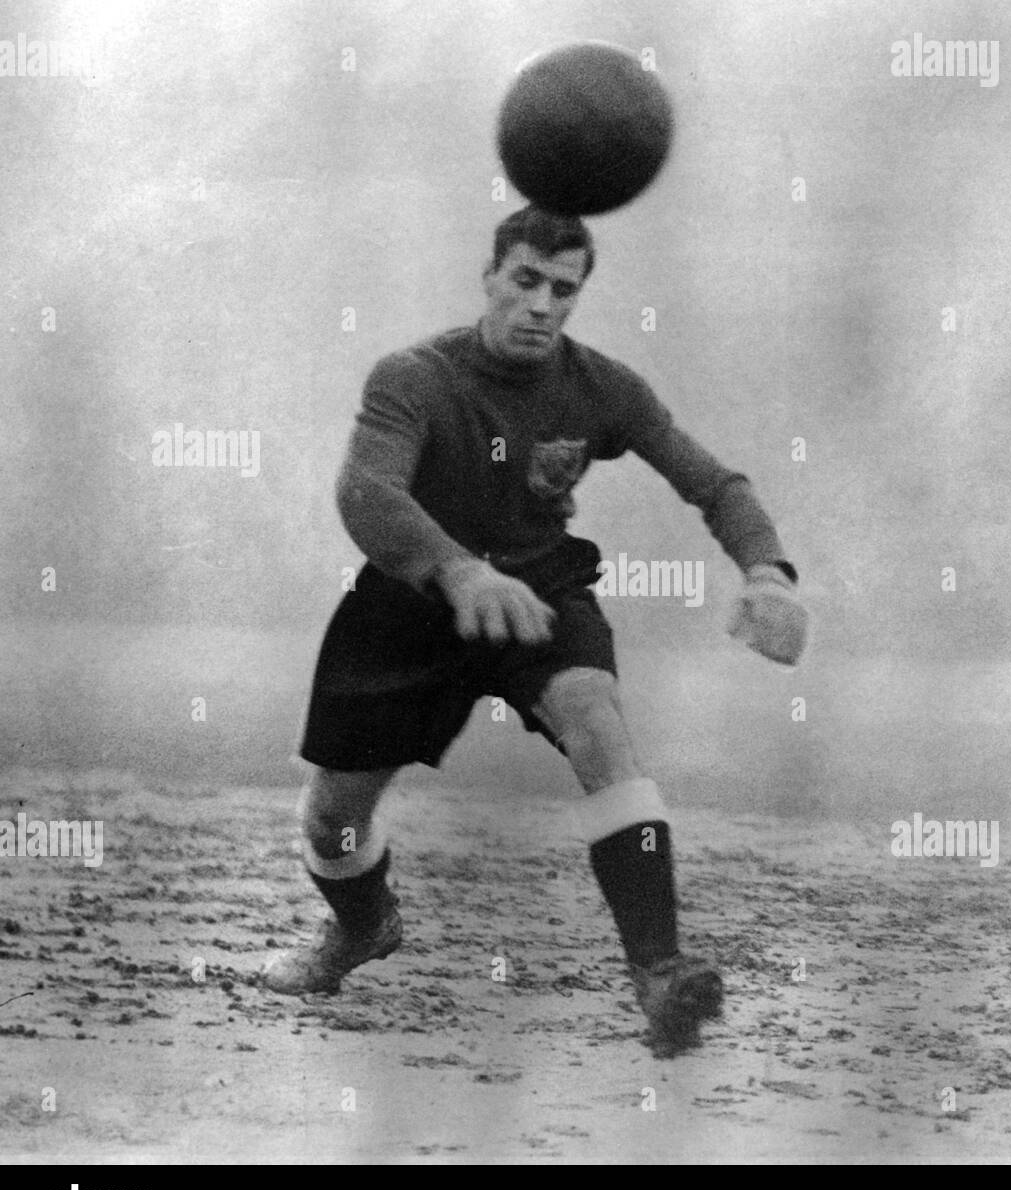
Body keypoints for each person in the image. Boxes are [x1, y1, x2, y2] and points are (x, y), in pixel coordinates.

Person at [262, 206, 808, 1054]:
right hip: (410, 604)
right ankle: (360, 927)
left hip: (539, 596)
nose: (542, 305)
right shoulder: (412, 377)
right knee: (334, 815)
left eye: (564, 289)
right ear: (489, 277)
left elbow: (715, 482)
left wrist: (767, 569)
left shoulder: (603, 389)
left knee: (598, 723)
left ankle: (660, 973)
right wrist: (457, 569)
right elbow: (366, 493)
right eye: (524, 281)